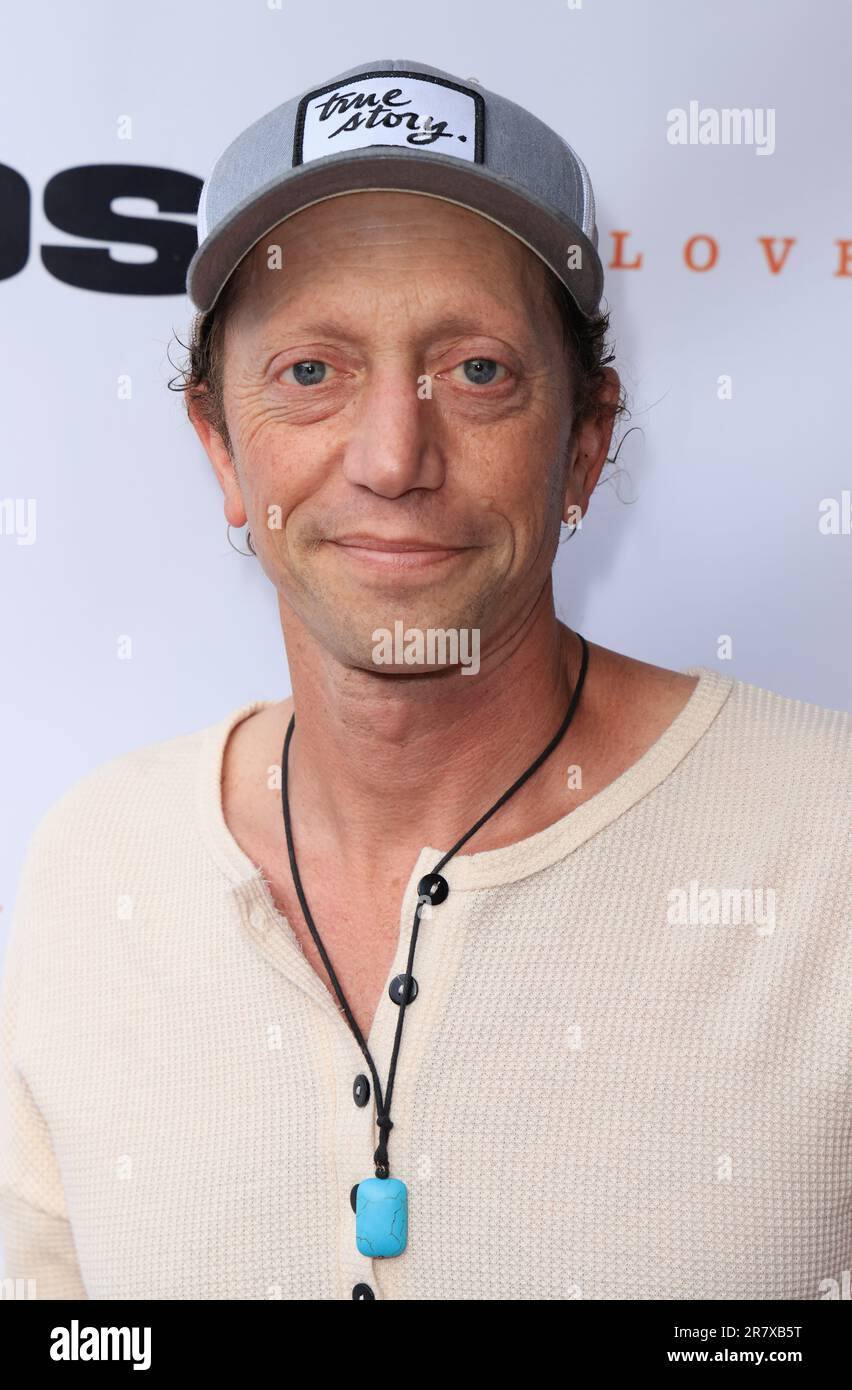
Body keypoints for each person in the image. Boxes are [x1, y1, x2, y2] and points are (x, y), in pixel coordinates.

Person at [1, 58, 849, 1302]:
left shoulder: (829, 847)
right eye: (311, 371)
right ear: (220, 448)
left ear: (586, 444)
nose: (395, 456)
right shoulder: (97, 869)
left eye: (478, 371)